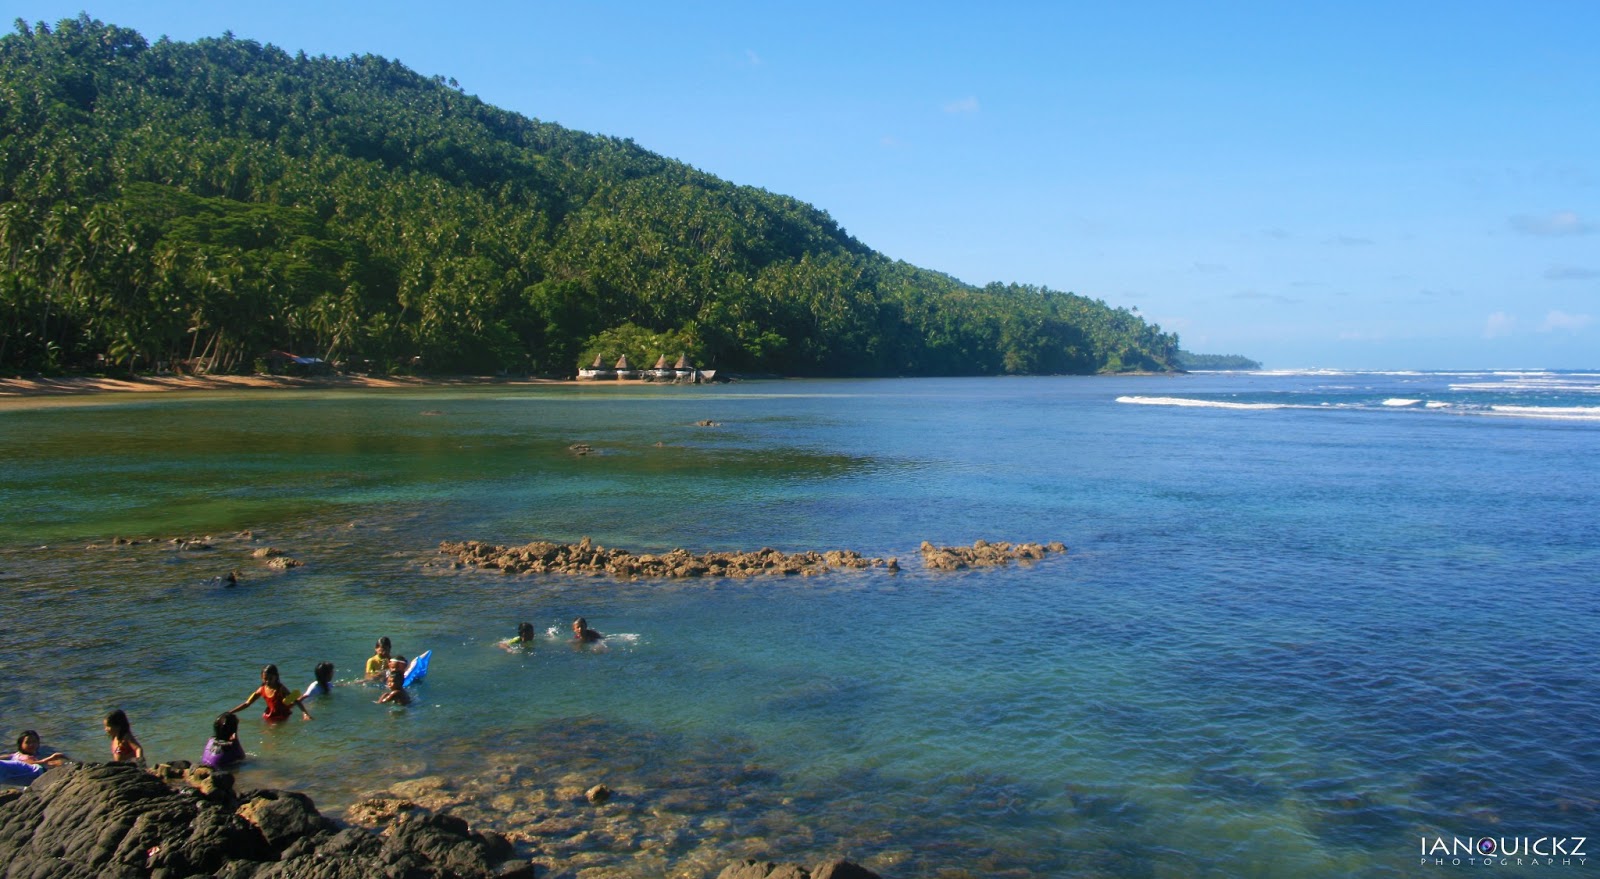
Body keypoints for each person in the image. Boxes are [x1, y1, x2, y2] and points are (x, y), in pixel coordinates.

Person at [230, 664, 313, 722]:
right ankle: (297, 696)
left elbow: (296, 701)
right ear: (261, 677)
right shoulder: (261, 689)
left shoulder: (281, 688)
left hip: (282, 716)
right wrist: (230, 712)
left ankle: (301, 696)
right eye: (265, 679)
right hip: (269, 715)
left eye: (270, 678)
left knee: (291, 702)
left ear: (276, 677)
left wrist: (305, 713)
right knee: (287, 703)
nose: (267, 681)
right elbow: (247, 703)